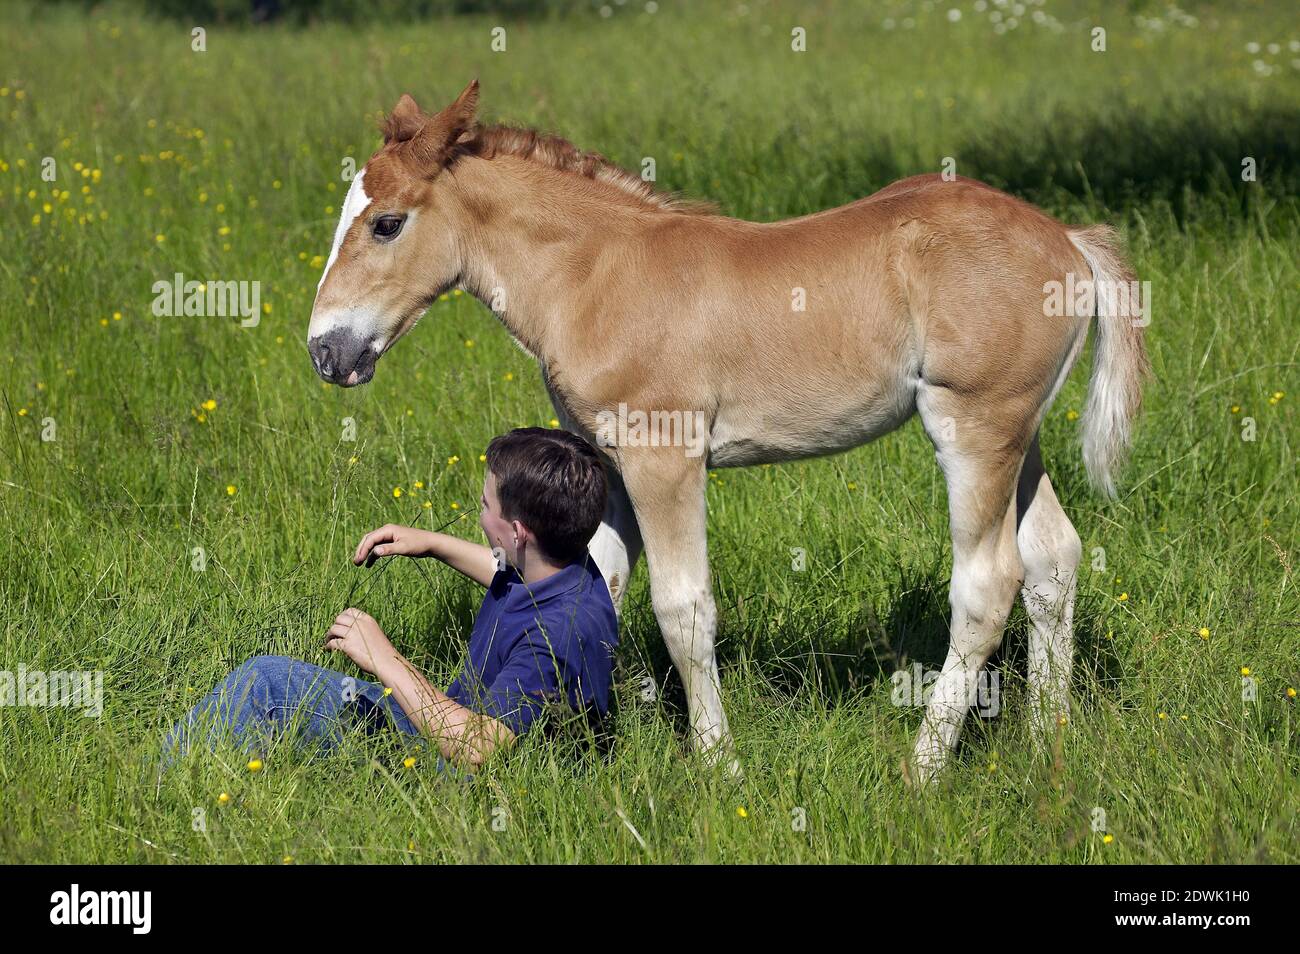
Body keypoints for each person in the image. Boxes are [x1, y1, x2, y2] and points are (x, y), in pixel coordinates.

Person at [163, 427, 619, 772]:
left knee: (265, 683)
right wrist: (434, 543)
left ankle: (160, 783)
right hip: (457, 724)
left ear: (518, 532)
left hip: (447, 754)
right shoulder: (568, 563)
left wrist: (384, 657)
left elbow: (478, 750)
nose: (478, 513)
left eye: (485, 505)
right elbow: (513, 572)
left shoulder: (556, 639)